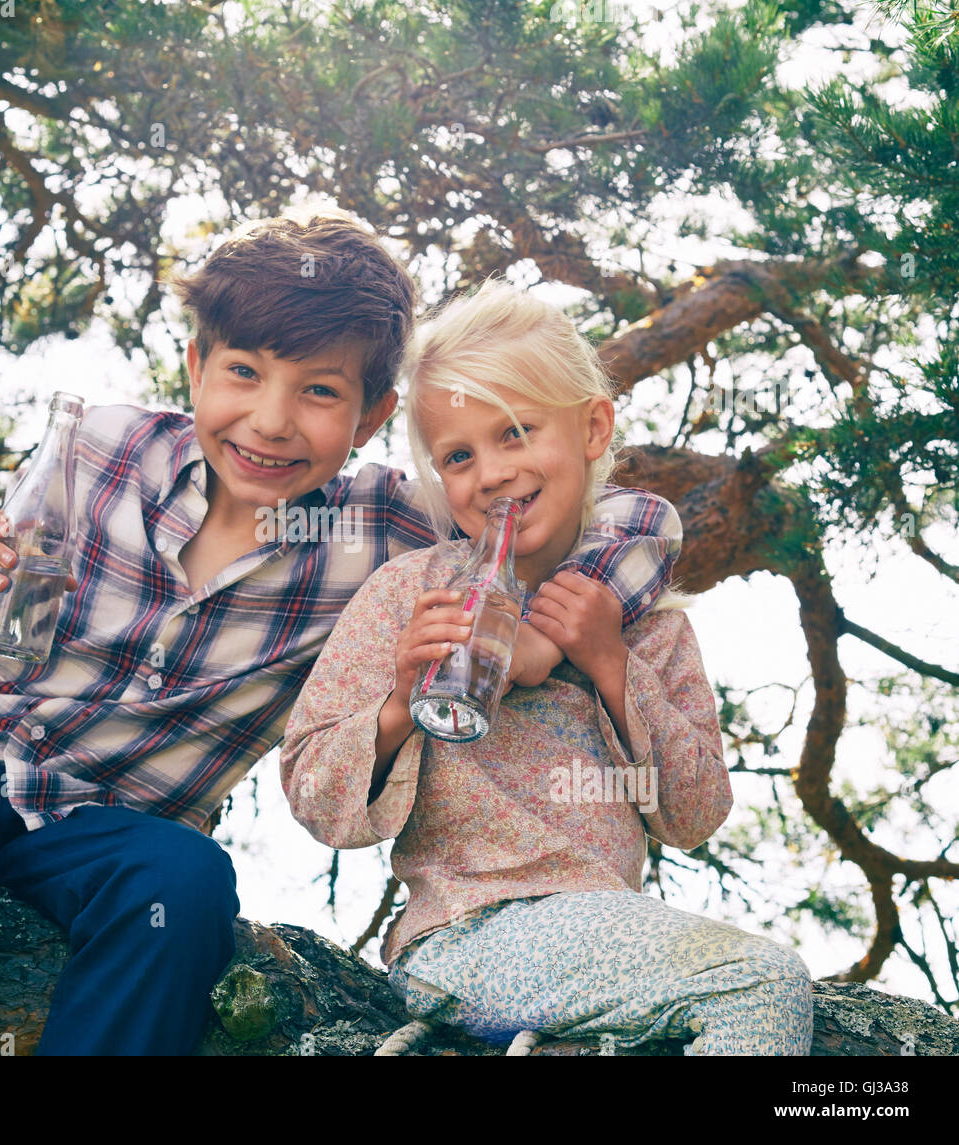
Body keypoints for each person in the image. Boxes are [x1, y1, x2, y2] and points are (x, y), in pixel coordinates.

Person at [0, 210, 682, 1057]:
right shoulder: (97, 443)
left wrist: (561, 627)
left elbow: (631, 520)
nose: (269, 420)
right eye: (244, 374)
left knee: (185, 884)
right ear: (195, 365)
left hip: (114, 832)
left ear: (373, 414)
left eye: (318, 392)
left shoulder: (384, 532)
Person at [280, 276, 814, 1056]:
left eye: (517, 432)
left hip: (600, 943)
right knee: (759, 981)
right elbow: (314, 794)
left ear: (594, 427)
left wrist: (608, 662)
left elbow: (695, 812)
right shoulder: (411, 595)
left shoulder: (648, 628)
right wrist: (399, 701)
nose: (490, 472)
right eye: (457, 455)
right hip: (465, 936)